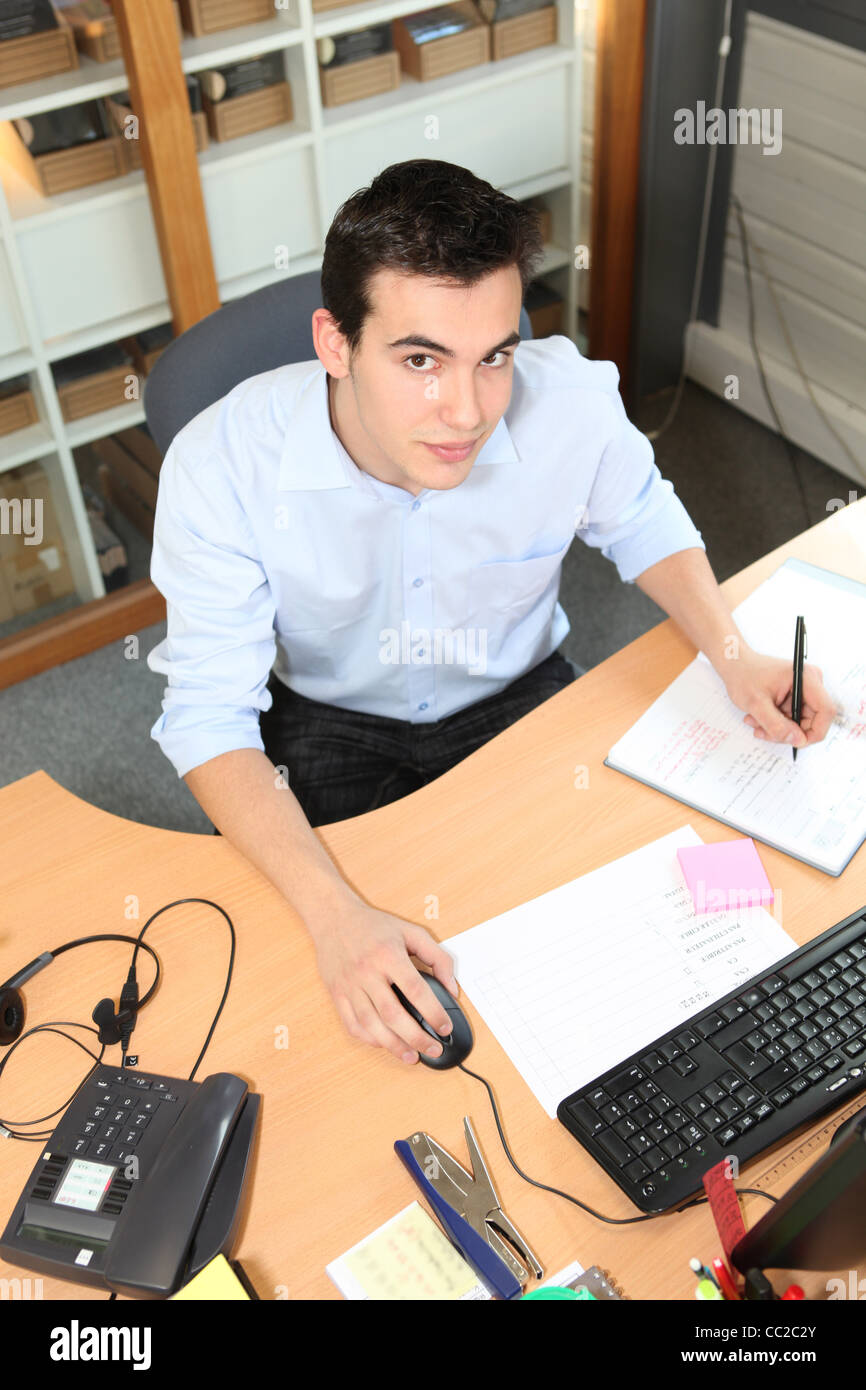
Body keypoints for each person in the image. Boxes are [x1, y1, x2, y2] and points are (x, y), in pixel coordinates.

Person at [147, 158, 836, 1069]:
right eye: (421, 359)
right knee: (360, 1007)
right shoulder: (222, 465)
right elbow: (208, 715)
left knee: (632, 954)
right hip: (332, 722)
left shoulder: (570, 402)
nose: (466, 411)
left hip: (521, 695)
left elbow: (641, 518)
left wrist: (735, 651)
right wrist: (335, 916)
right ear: (334, 343)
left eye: (494, 356)